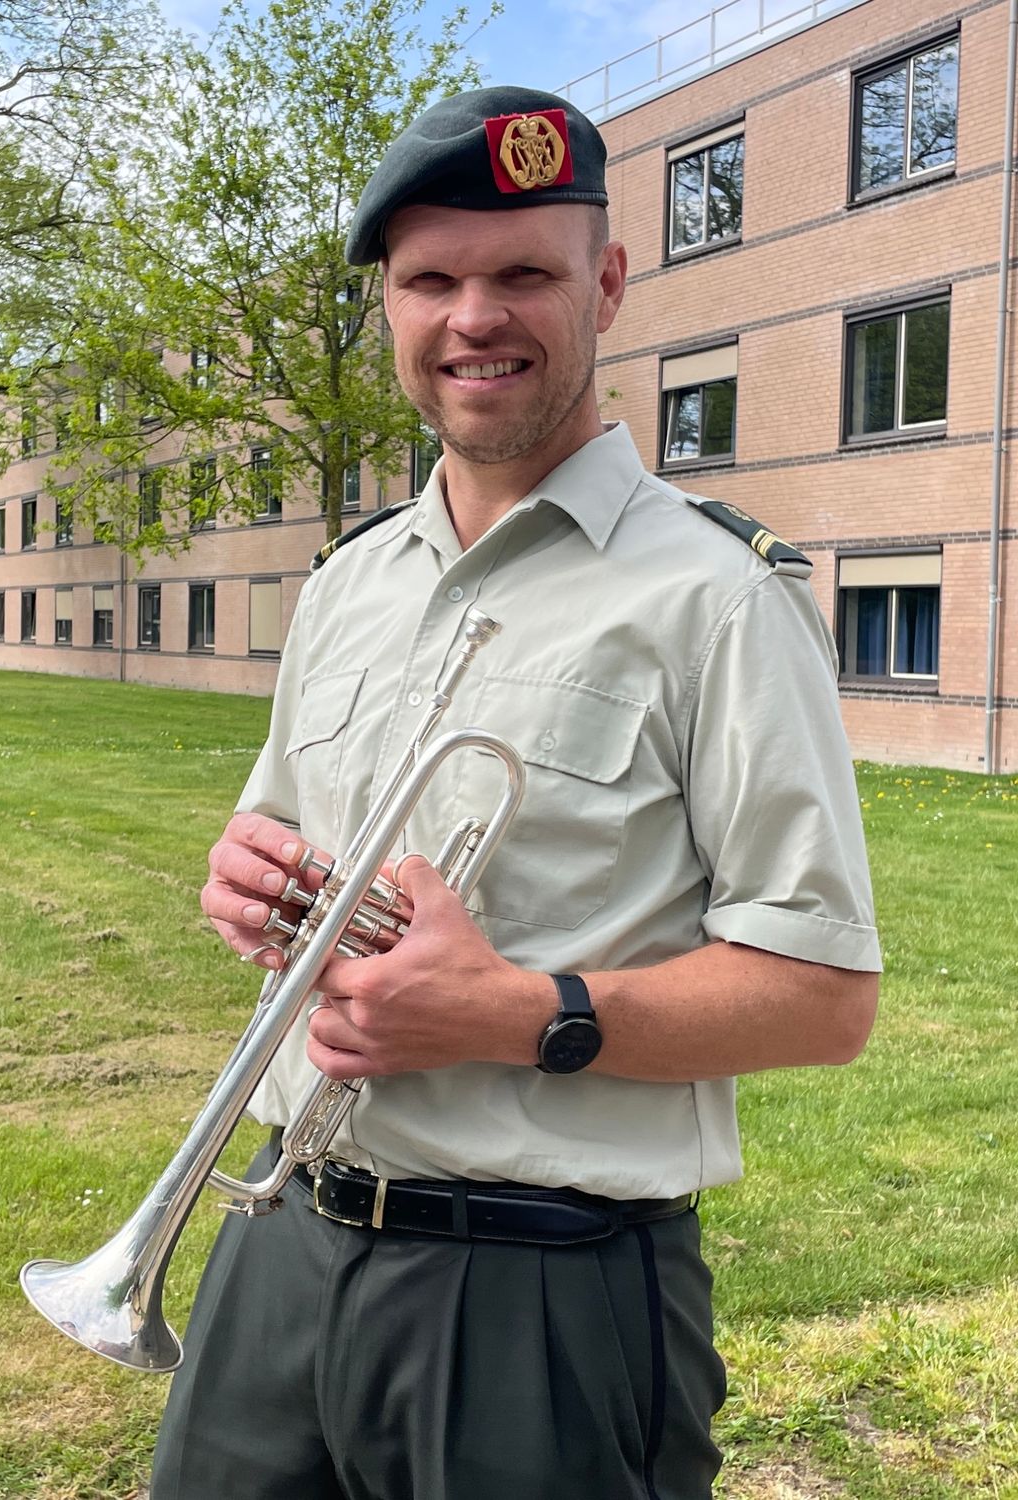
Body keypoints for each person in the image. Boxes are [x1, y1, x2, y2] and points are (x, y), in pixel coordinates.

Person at [150, 86, 881, 1500]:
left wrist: (506, 1012)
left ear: (605, 286)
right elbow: (287, 843)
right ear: (389, 306)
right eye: (430, 280)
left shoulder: (719, 597)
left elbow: (823, 996)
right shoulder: (347, 583)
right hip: (279, 1243)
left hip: (543, 1296)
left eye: (524, 274)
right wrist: (252, 885)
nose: (473, 317)